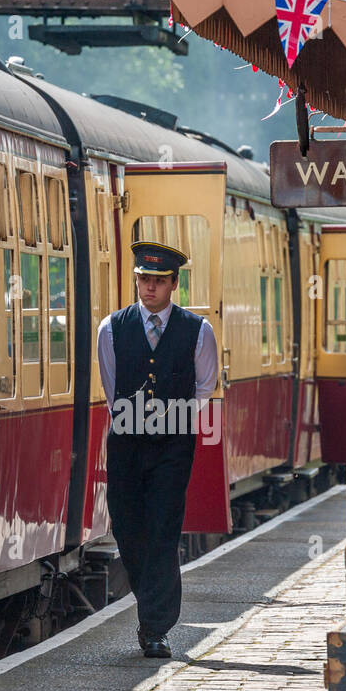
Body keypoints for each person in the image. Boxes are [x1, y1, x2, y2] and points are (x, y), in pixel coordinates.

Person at [96, 240, 218, 659]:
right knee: (128, 528)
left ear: (174, 284)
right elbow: (112, 390)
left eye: (158, 281)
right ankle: (152, 609)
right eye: (143, 279)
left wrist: (172, 420)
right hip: (126, 442)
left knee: (164, 529)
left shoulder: (198, 330)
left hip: (173, 444)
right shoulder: (111, 328)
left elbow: (204, 387)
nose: (149, 288)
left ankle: (155, 627)